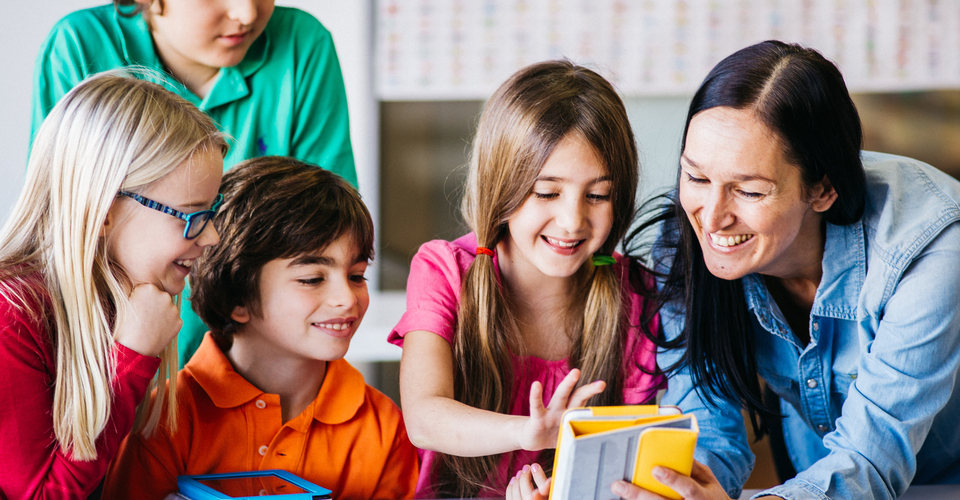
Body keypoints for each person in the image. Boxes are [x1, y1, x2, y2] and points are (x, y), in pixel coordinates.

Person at [616, 40, 960, 500]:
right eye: (696, 177)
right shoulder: (683, 242)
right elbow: (704, 426)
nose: (711, 217)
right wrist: (676, 489)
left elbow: (871, 459)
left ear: (822, 189)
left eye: (750, 192)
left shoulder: (930, 249)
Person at [389, 59, 665, 498]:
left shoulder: (637, 297)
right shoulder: (446, 270)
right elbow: (425, 418)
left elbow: (628, 467)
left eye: (597, 195)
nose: (573, 220)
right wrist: (530, 433)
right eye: (547, 192)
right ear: (503, 185)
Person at [31, 0, 357, 366]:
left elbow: (328, 233)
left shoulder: (301, 42)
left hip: (258, 357)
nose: (247, 14)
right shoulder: (80, 43)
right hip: (113, 349)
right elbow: (67, 232)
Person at [102, 157, 419, 500]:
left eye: (356, 276)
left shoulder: (385, 427)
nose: (347, 298)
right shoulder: (166, 418)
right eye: (312, 279)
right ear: (238, 297)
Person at [0, 72, 225, 498]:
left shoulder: (117, 304)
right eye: (192, 215)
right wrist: (131, 359)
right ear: (102, 210)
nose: (211, 236)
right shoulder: (10, 315)